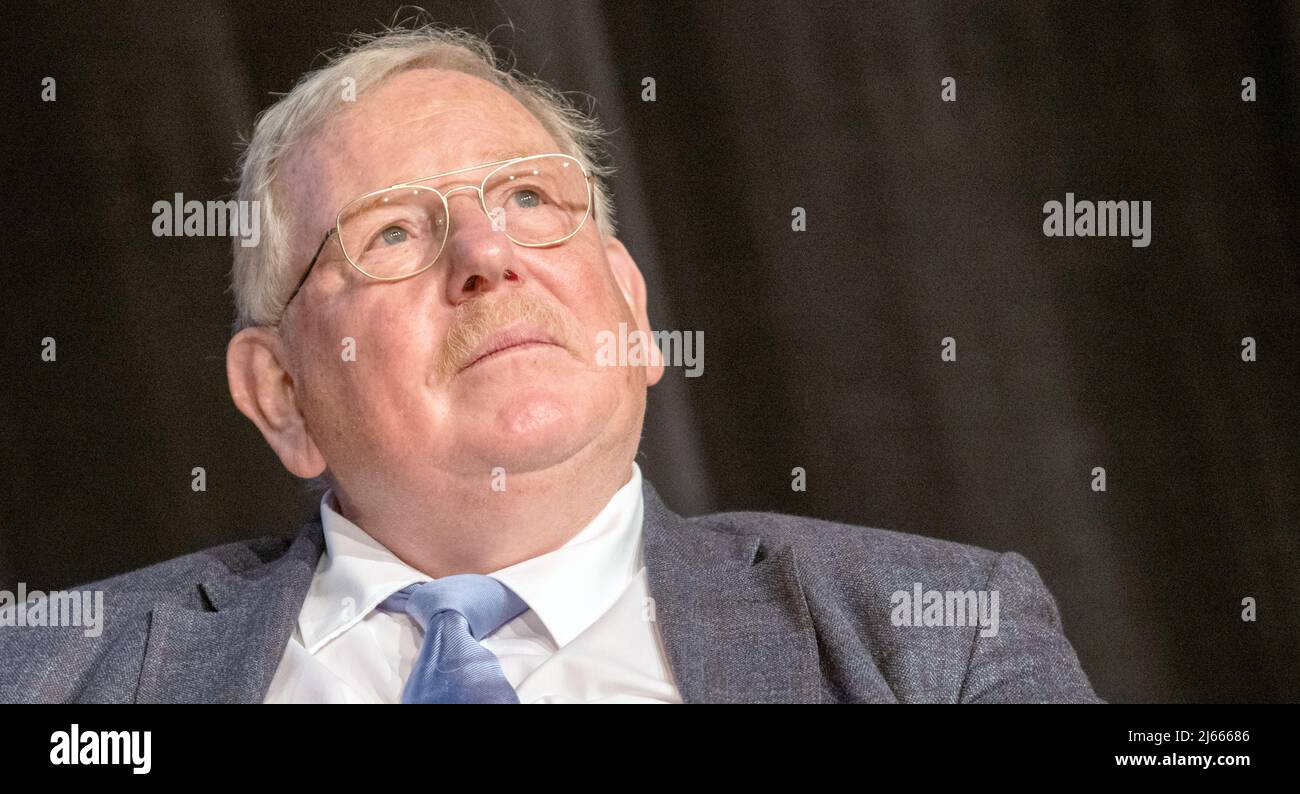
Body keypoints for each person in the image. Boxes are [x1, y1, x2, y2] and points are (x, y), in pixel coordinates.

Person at [0, 25, 1100, 704]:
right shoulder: (47, 671)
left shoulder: (938, 642)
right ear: (282, 393)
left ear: (628, 301)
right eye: (389, 232)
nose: (487, 255)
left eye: (530, 200)